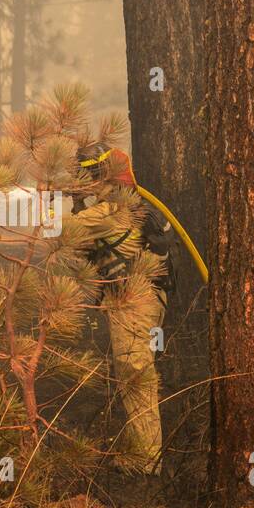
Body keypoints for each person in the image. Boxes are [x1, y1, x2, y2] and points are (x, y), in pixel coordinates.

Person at [72, 143, 173, 475]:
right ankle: (145, 452)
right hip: (149, 300)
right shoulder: (128, 204)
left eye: (83, 176)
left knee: (134, 376)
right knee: (139, 373)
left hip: (131, 301)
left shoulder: (108, 213)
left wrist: (68, 203)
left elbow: (59, 232)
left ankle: (146, 462)